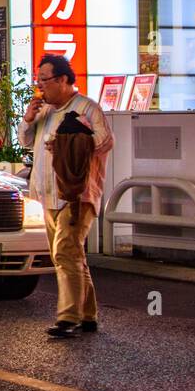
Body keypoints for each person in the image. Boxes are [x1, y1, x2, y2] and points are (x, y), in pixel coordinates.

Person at [18, 54, 112, 340]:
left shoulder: (86, 109)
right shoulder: (44, 110)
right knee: (72, 254)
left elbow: (106, 140)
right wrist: (28, 119)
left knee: (64, 252)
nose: (40, 87)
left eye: (44, 80)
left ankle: (67, 317)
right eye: (39, 81)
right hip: (46, 194)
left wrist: (69, 145)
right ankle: (88, 315)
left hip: (77, 194)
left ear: (62, 79)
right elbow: (24, 141)